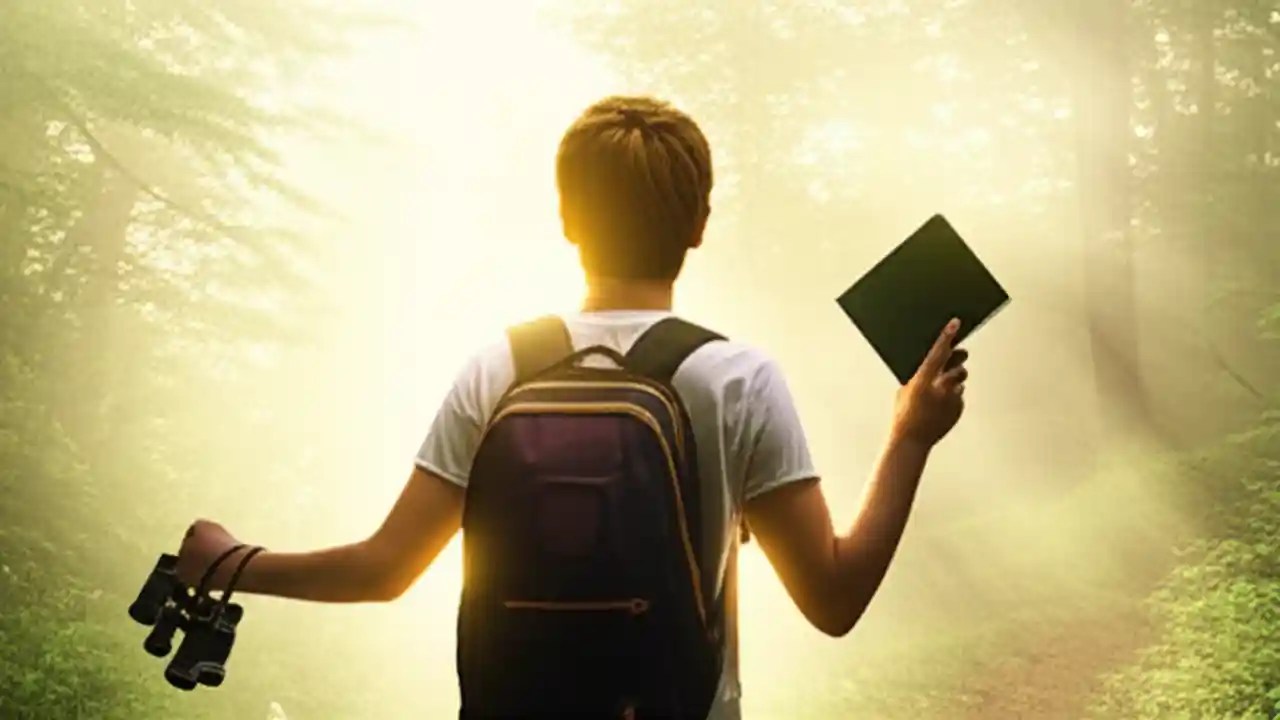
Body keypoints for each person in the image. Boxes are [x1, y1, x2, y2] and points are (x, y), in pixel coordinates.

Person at [176, 95, 970, 719]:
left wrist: (229, 560)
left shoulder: (498, 369)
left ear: (566, 220)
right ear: (698, 226)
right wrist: (910, 436)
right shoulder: (739, 381)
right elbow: (834, 601)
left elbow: (382, 570)